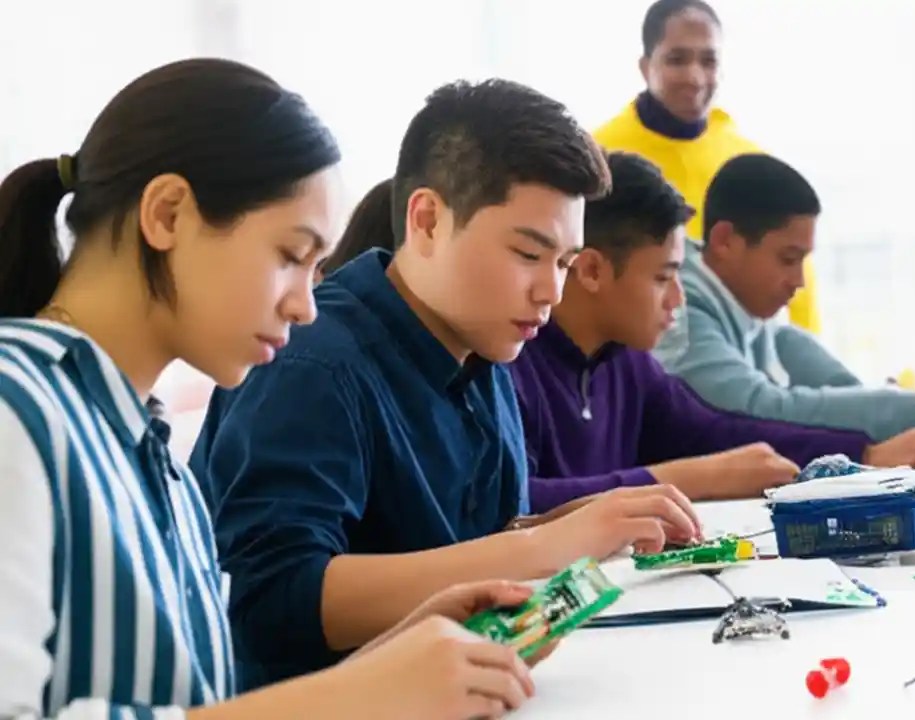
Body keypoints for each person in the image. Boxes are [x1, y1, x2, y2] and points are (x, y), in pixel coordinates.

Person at [0, 58, 542, 720]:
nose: (306, 307)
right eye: (290, 256)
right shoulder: (15, 410)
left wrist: (396, 659)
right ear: (167, 214)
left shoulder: (157, 463)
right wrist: (350, 698)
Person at [190, 79, 701, 690]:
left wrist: (568, 527)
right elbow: (268, 600)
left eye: (565, 263)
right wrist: (538, 550)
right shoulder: (312, 365)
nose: (552, 291)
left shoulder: (483, 352)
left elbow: (466, 542)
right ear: (428, 220)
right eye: (528, 254)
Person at [508, 152, 915, 513]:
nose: (677, 299)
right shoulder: (513, 362)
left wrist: (864, 455)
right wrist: (688, 478)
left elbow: (717, 434)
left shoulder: (626, 364)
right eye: (662, 277)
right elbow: (515, 503)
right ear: (592, 271)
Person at [654, 153, 915, 441]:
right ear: (725, 240)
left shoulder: (749, 310)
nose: (799, 282)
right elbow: (756, 410)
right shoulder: (678, 310)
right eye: (788, 259)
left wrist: (910, 405)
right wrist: (911, 409)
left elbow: (831, 382)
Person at [593, 0, 822, 334]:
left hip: (733, 345)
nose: (695, 77)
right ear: (645, 66)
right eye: (677, 59)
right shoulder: (601, 156)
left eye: (708, 60)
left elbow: (795, 268)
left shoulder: (749, 160)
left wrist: (807, 349)